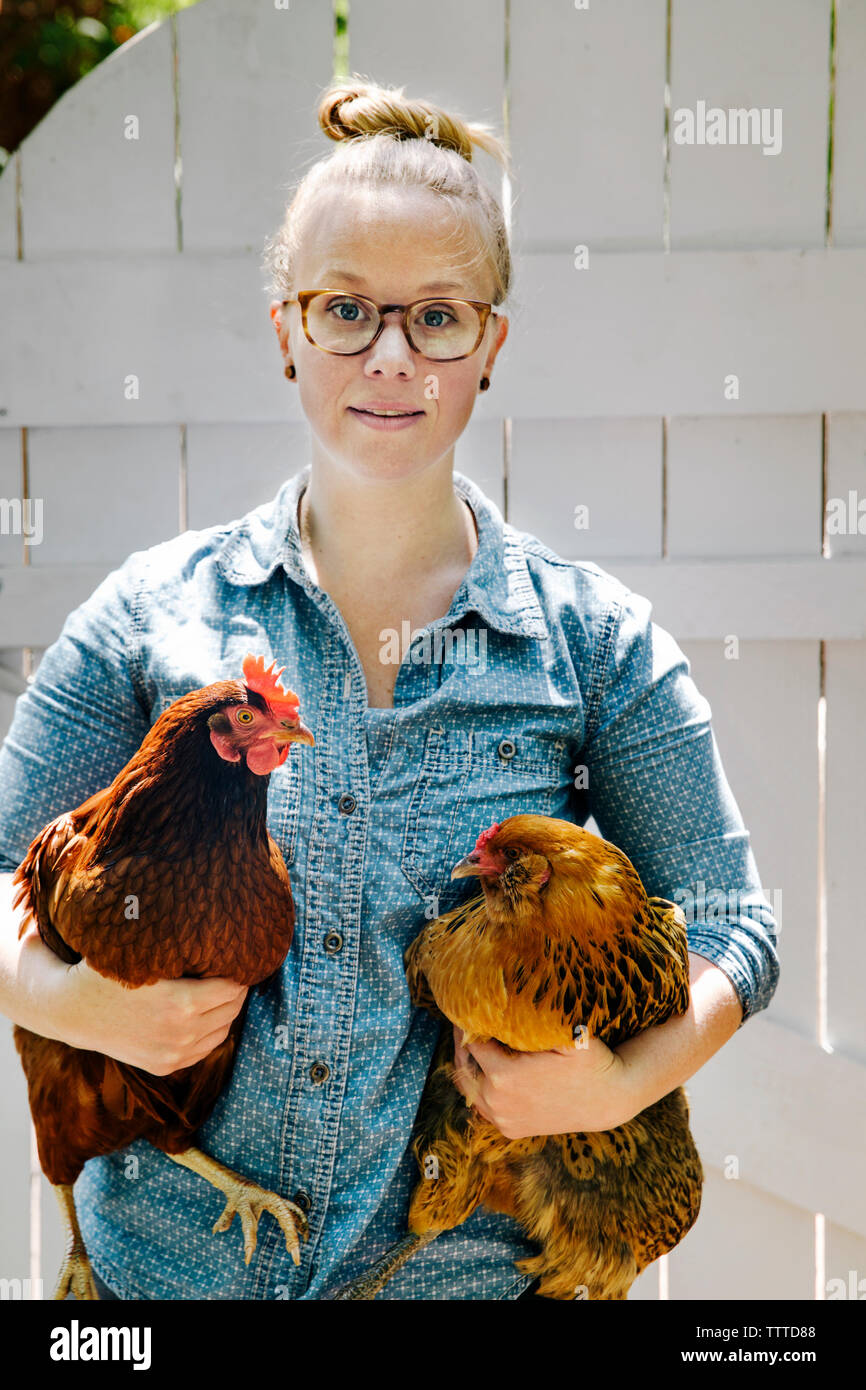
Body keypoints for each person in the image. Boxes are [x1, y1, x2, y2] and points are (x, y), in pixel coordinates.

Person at [0, 78, 778, 1301]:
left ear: (492, 345)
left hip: (471, 1278)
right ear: (284, 331)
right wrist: (79, 1006)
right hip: (153, 1290)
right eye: (345, 310)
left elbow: (734, 917)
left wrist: (619, 1082)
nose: (390, 356)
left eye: (437, 317)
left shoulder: (590, 644)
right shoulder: (148, 618)